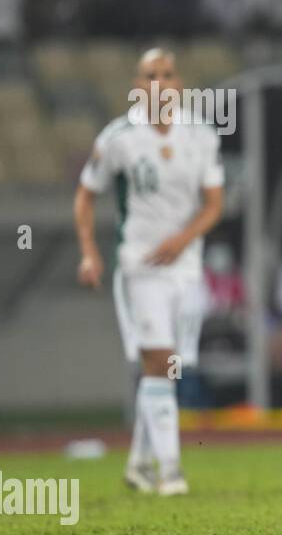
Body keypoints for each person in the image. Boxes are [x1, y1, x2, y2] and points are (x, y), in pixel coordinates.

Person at [74, 47, 224, 496]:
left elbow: (214, 203)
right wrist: (89, 253)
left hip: (186, 268)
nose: (159, 82)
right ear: (137, 87)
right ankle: (170, 472)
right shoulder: (118, 137)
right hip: (138, 265)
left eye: (167, 74)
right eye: (149, 75)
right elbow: (85, 195)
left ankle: (139, 464)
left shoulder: (201, 134)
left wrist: (182, 240)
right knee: (158, 361)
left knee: (171, 366)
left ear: (179, 84)